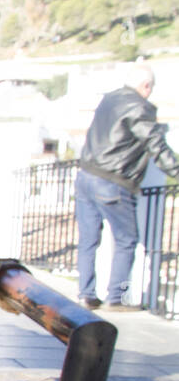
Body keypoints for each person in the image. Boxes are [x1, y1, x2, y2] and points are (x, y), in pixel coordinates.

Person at [76, 63, 179, 310]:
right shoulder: (139, 107)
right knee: (127, 240)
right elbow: (155, 143)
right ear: (146, 86)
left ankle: (86, 294)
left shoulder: (109, 99)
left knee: (88, 240)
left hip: (85, 175)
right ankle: (117, 297)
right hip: (112, 181)